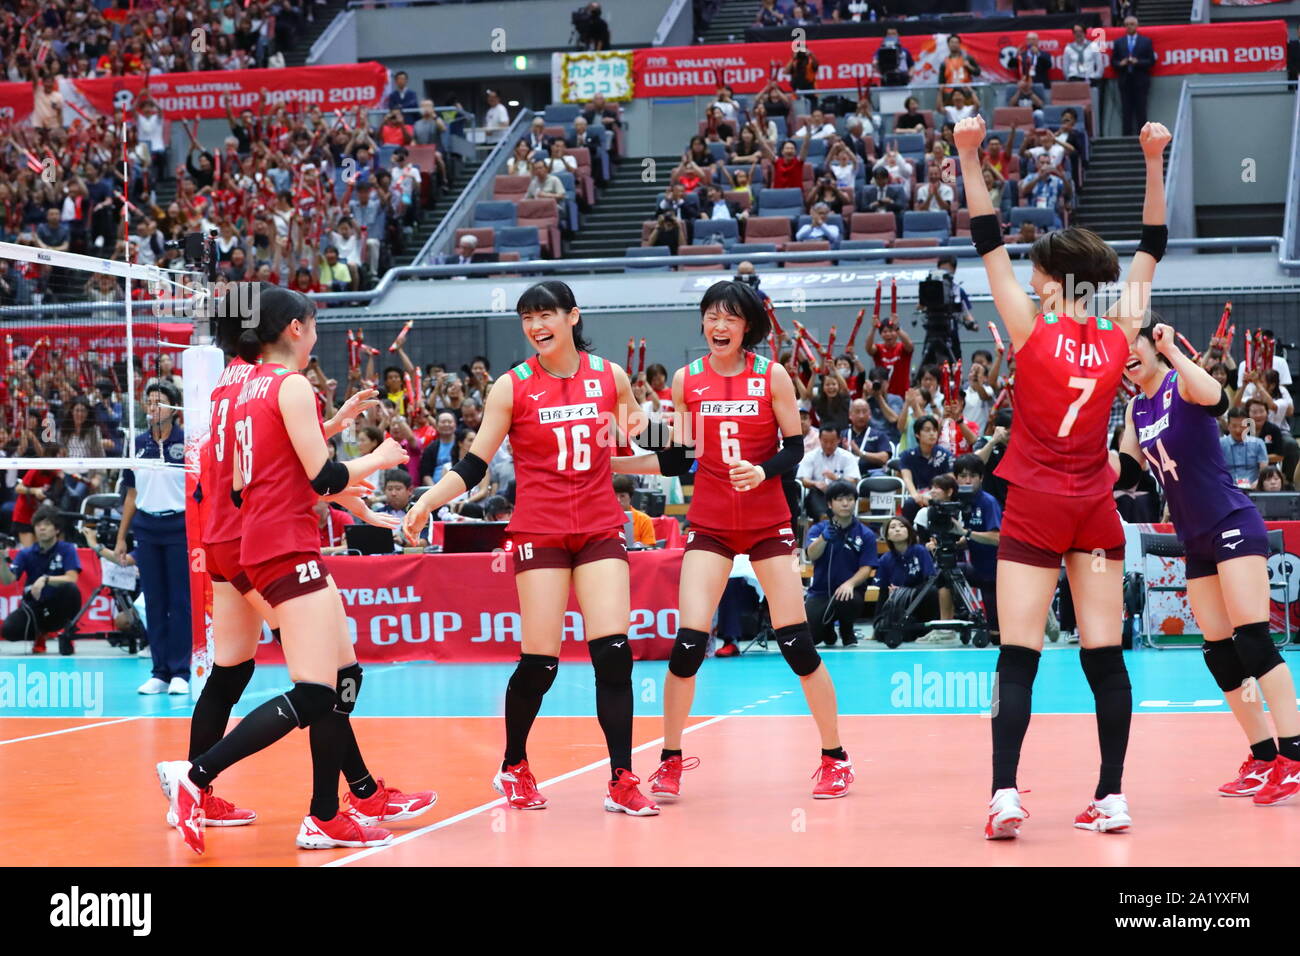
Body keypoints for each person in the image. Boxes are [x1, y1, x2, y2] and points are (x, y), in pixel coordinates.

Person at [954, 112, 1171, 839]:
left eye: (1036, 269)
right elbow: (1153, 245)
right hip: (1096, 510)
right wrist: (1152, 160)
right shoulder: (1120, 331)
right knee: (1105, 656)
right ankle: (1112, 797)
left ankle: (1006, 796)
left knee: (1019, 655)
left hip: (1036, 507)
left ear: (1048, 277)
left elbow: (986, 238)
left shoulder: (1027, 325)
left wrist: (966, 152)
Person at [157, 286, 424, 855]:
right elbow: (320, 477)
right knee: (320, 689)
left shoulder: (231, 385)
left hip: (246, 538)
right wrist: (378, 459)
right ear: (294, 329)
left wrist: (351, 481)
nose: (316, 336)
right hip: (280, 544)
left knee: (294, 679)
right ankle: (205, 779)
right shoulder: (288, 384)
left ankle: (340, 804)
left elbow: (271, 459)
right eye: (313, 325)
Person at [402, 280, 659, 816]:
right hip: (539, 532)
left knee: (613, 654)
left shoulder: (608, 377)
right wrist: (427, 501)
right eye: (527, 318)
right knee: (541, 664)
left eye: (546, 315)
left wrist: (691, 440)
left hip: (599, 527)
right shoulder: (512, 386)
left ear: (572, 317)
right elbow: (473, 467)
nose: (536, 326)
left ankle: (621, 777)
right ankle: (514, 764)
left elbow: (639, 442)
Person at [611, 280, 854, 799]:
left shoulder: (772, 375)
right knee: (688, 643)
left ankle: (835, 757)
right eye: (711, 316)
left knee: (796, 642)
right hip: (712, 522)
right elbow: (679, 455)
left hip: (769, 522)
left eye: (730, 317)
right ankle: (671, 759)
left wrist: (762, 471)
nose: (719, 326)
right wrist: (613, 456)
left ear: (748, 327)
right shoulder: (686, 379)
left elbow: (794, 447)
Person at [1117, 322, 1300, 806]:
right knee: (1218, 650)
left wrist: (1170, 350)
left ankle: (1295, 757)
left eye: (1130, 345)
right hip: (1194, 537)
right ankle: (1263, 759)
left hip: (1232, 521)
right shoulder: (1136, 407)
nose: (1125, 357)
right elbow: (1129, 471)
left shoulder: (1181, 382)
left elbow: (1218, 399)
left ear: (1151, 345)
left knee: (1253, 638)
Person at [116, 382, 193, 695]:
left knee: (180, 602)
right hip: (147, 528)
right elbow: (132, 494)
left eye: (158, 401)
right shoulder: (138, 444)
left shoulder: (186, 443)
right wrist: (123, 536)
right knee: (154, 602)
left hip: (180, 527)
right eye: (149, 402)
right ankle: (159, 671)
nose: (152, 407)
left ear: (174, 409)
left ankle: (181, 672)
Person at [804, 481, 877, 648]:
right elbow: (810, 554)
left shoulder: (866, 534)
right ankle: (827, 630)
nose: (845, 503)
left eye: (850, 499)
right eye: (840, 499)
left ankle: (847, 631)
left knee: (847, 598)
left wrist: (850, 584)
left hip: (850, 592)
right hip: (821, 591)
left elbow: (867, 567)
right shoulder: (818, 529)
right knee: (811, 637)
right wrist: (823, 538)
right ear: (830, 504)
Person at [0, 506, 82, 649]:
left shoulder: (67, 549)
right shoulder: (26, 553)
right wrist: (1, 559)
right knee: (9, 630)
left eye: (47, 524)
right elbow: (9, 580)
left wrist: (45, 579)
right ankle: (40, 634)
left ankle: (67, 632)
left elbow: (72, 578)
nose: (41, 528)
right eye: (38, 525)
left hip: (58, 606)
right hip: (35, 606)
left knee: (71, 589)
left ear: (56, 529)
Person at [799, 425, 861, 520]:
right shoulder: (810, 456)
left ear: (838, 440)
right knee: (814, 494)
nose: (828, 445)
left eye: (832, 442)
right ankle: (824, 518)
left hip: (841, 492)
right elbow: (804, 480)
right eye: (825, 441)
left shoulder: (848, 457)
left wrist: (836, 478)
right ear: (819, 439)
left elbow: (853, 480)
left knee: (846, 495)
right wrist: (815, 483)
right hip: (818, 493)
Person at [1115, 17, 1155, 137]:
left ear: (1137, 25)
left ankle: (1142, 135)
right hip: (1125, 80)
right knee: (1126, 110)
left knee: (1141, 109)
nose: (1129, 27)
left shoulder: (1146, 41)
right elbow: (1114, 61)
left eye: (1132, 24)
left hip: (1140, 80)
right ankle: (1126, 135)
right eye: (1126, 24)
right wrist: (1120, 63)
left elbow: (1151, 61)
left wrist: (1138, 62)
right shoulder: (1119, 42)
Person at [1221, 408, 1268, 487]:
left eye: (1242, 426)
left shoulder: (1258, 443)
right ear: (1228, 426)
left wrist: (1257, 484)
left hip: (1253, 488)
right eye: (1234, 426)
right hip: (1227, 488)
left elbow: (1263, 471)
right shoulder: (1220, 444)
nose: (1238, 430)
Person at [612, 474, 655, 547]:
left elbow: (649, 546)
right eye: (614, 495)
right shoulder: (603, 518)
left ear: (630, 497)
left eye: (622, 496)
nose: (618, 500)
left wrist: (638, 546)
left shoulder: (643, 519)